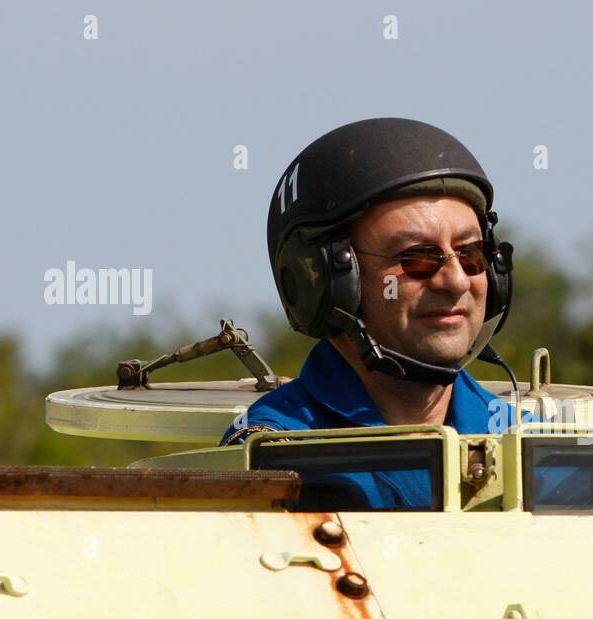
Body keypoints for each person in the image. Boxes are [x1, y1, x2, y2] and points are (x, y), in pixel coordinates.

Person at [220, 117, 519, 448]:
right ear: (325, 283)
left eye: (471, 254)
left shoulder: (532, 445)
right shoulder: (275, 454)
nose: (457, 281)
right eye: (417, 258)